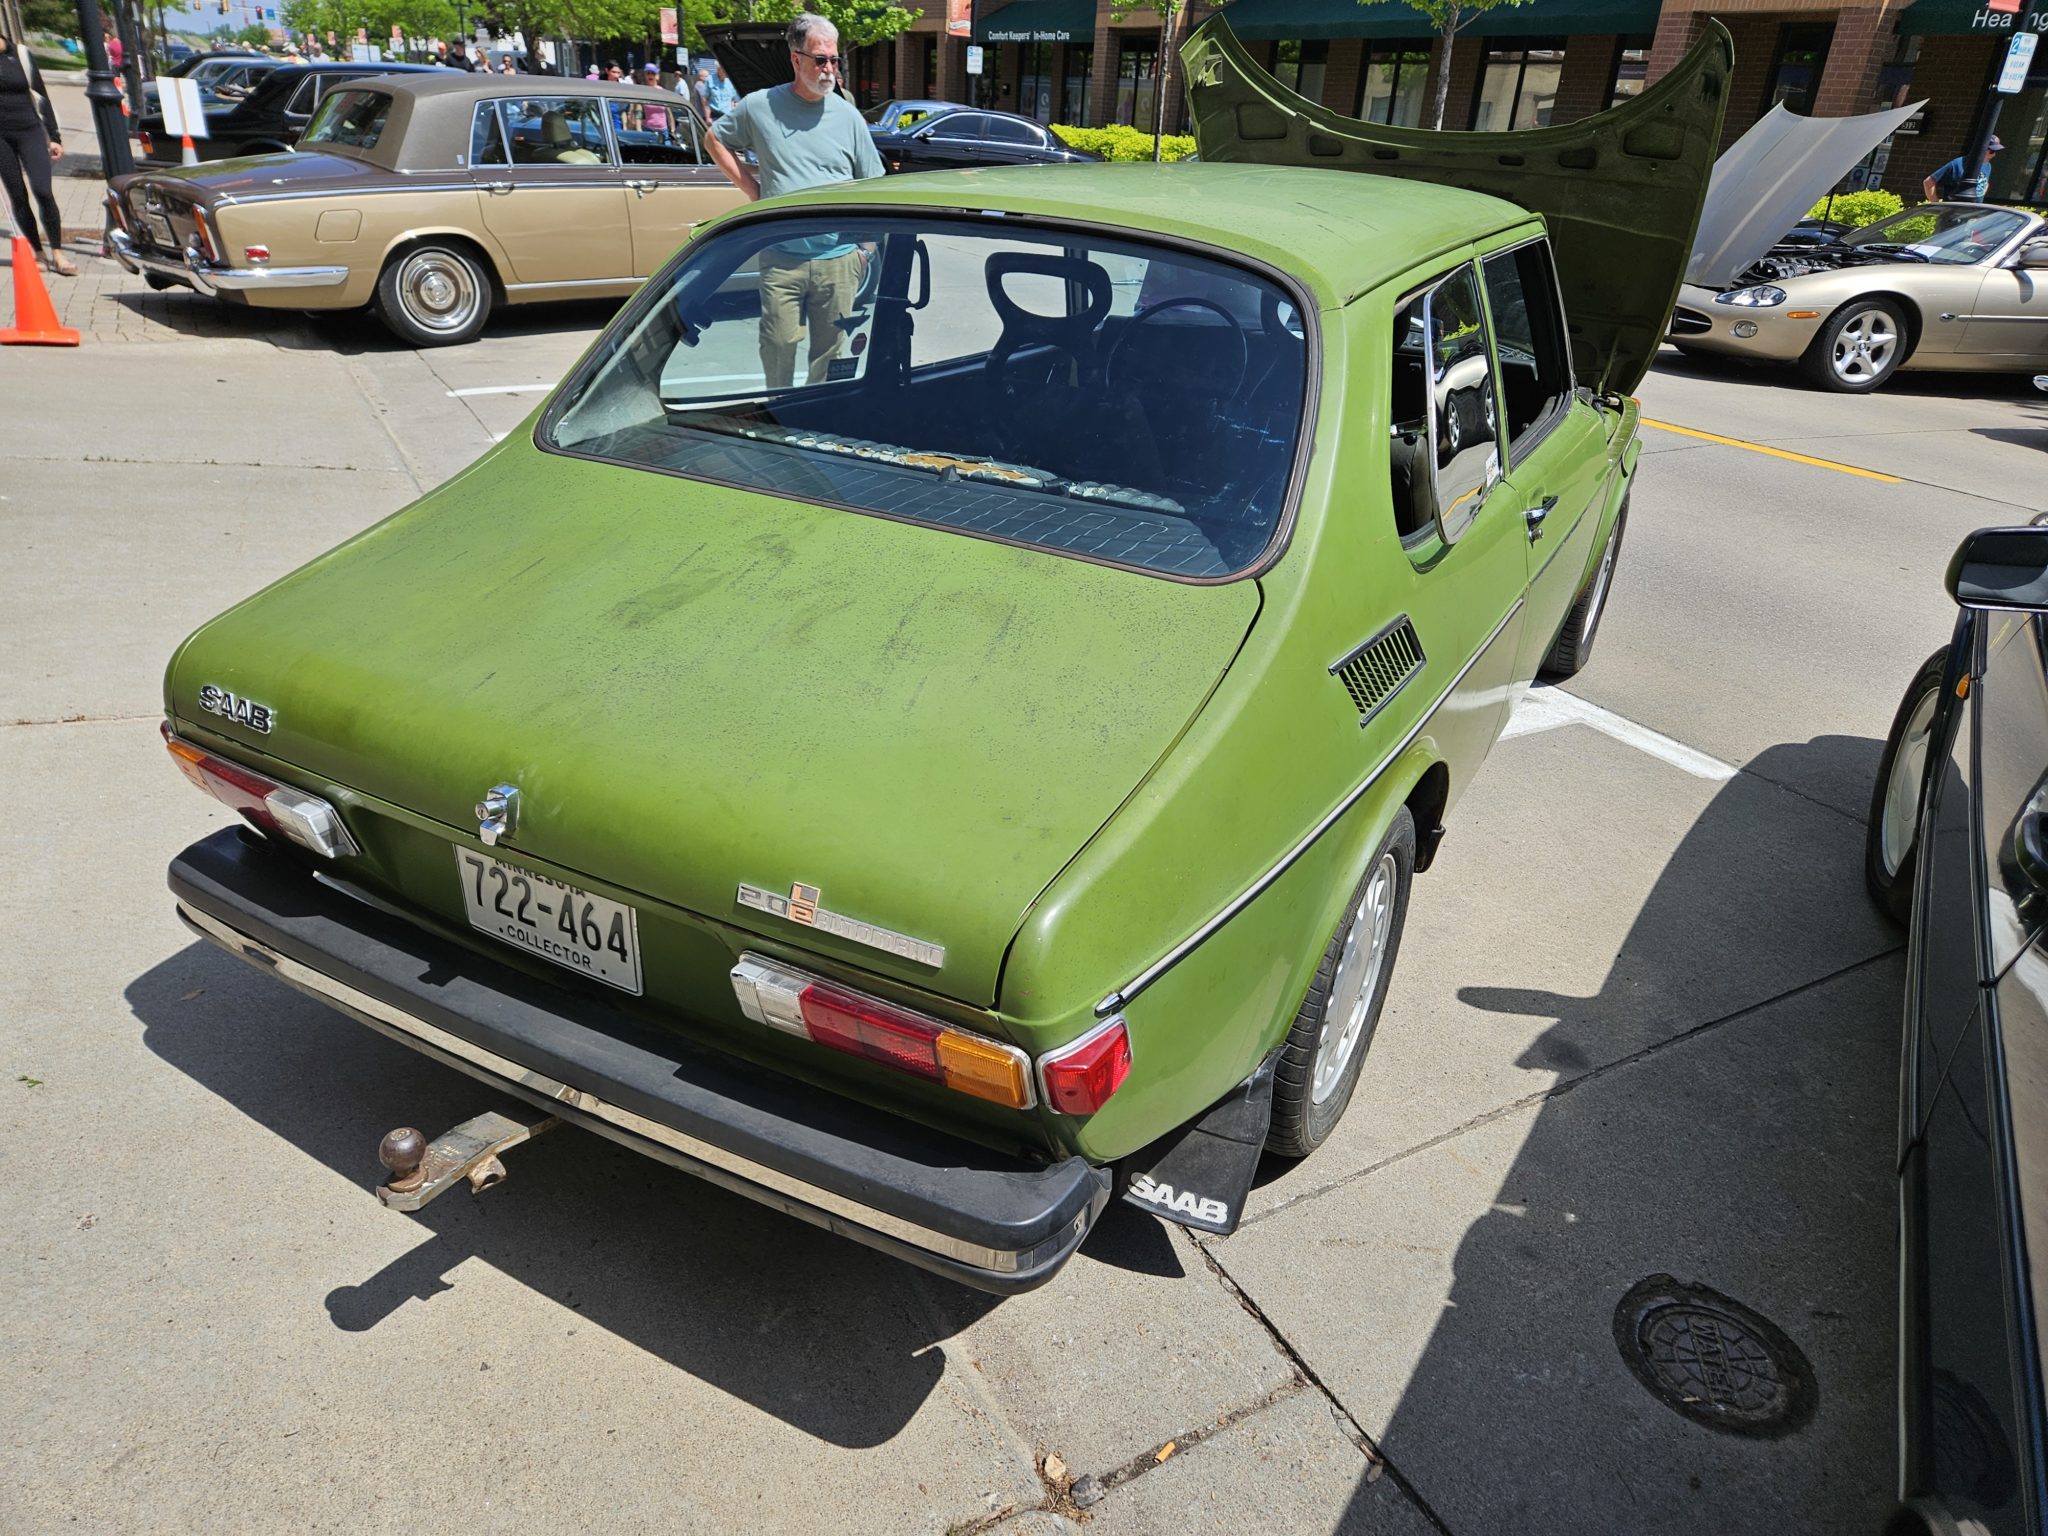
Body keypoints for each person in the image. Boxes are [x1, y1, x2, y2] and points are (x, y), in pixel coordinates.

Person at [706, 13, 884, 389]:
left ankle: (814, 421)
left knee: (831, 353)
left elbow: (875, 185)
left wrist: (864, 250)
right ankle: (780, 417)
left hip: (839, 259)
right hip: (781, 257)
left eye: (834, 60)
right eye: (820, 60)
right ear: (796, 59)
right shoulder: (759, 107)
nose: (829, 69)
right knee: (778, 343)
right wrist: (754, 193)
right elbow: (714, 140)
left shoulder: (848, 116)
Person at [0, 29, 73, 276]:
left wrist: (54, 136)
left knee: (43, 190)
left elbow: (41, 95)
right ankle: (38, 252)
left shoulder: (20, 54)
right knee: (17, 196)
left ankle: (58, 253)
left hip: (30, 131)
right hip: (1, 139)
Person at [1923, 136, 2001, 203]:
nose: (1994, 155)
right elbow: (1928, 182)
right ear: (1981, 149)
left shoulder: (1987, 166)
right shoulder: (1957, 164)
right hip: (1952, 214)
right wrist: (1936, 204)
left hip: (1973, 215)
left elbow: (1985, 183)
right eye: (1992, 151)